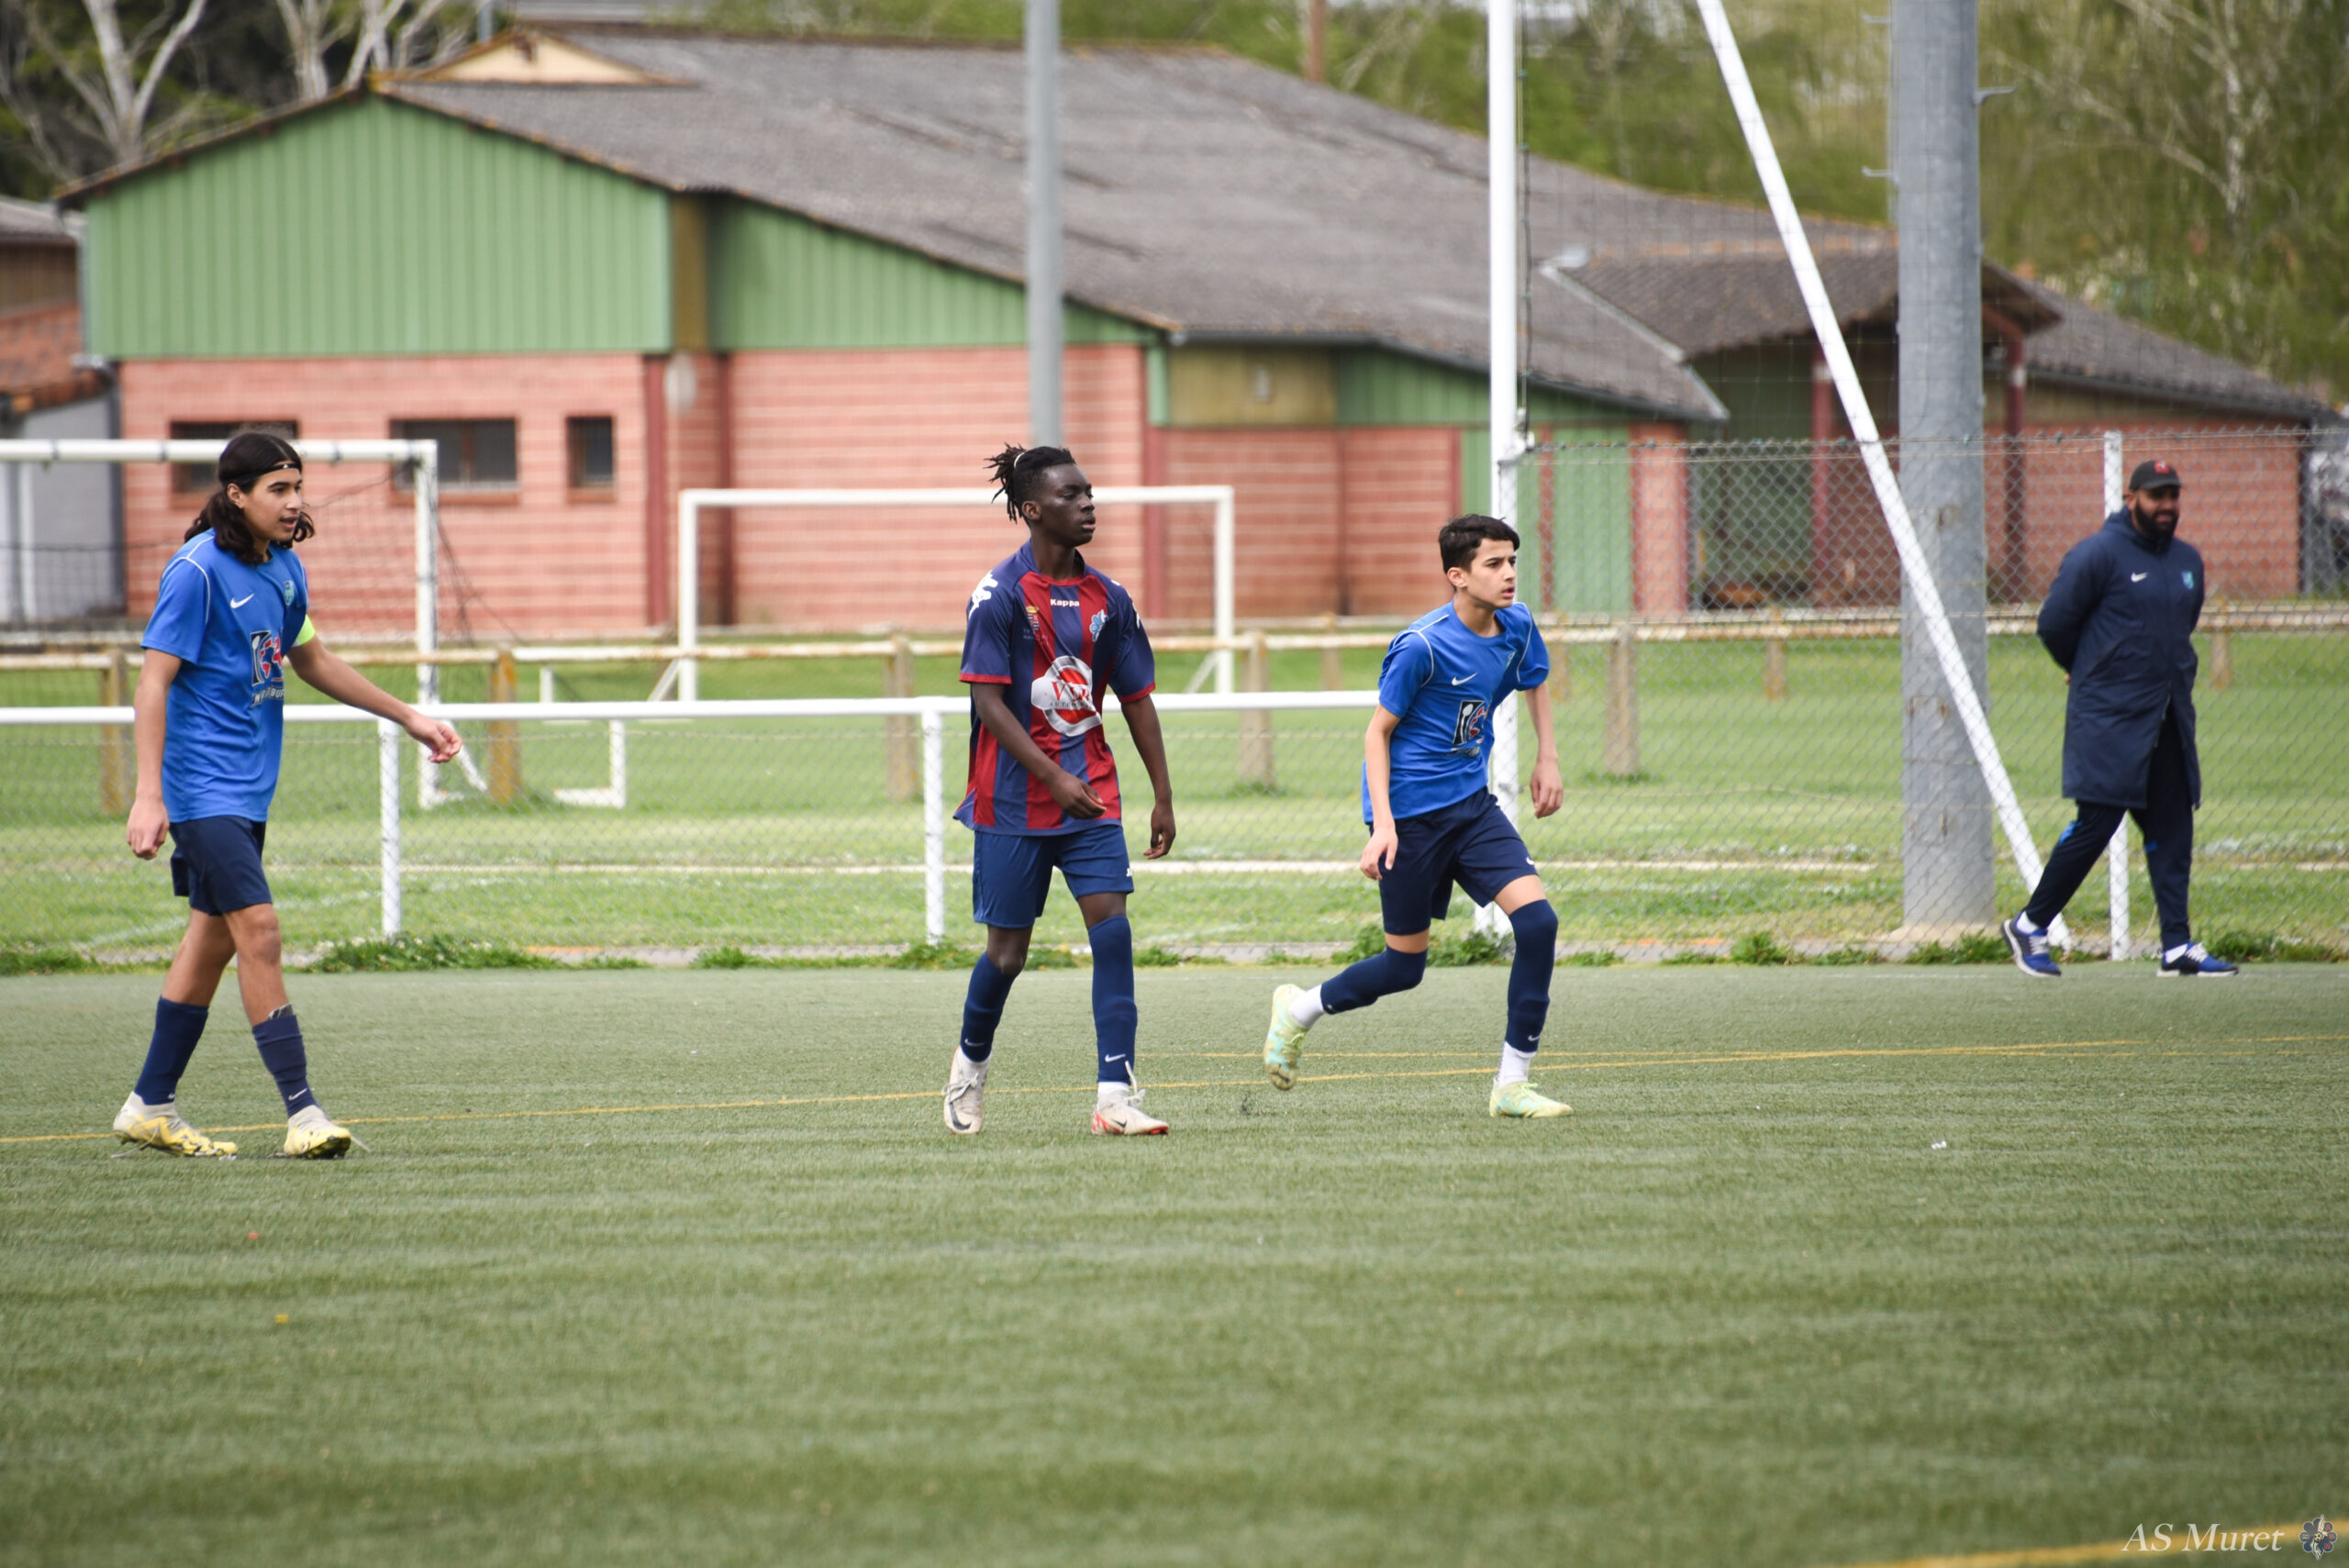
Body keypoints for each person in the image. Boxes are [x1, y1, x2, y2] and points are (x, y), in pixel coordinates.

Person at [115, 431, 463, 1160]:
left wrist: (410, 716)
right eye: (278, 488)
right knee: (261, 929)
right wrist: (149, 794)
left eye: (297, 486)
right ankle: (304, 1113)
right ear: (235, 494)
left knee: (210, 943)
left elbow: (314, 660)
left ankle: (150, 1104)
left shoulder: (284, 568)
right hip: (200, 789)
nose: (294, 501)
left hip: (248, 792)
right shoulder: (195, 571)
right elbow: (152, 682)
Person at [1262, 515, 1571, 1117]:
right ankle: (1298, 1009)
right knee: (1404, 968)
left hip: (1472, 809)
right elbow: (1376, 734)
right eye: (1493, 563)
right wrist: (1383, 825)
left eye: (1512, 561)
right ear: (1457, 575)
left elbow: (1534, 677)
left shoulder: (1517, 622)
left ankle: (1512, 1085)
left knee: (1538, 923)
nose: (1509, 574)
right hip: (1408, 820)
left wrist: (1548, 757)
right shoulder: (1421, 646)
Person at [942, 443, 1178, 1137]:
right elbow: (989, 704)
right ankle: (969, 1069)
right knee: (1006, 956)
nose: (1088, 505)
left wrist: (1163, 795)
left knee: (1113, 933)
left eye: (1090, 493)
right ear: (1033, 510)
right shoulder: (998, 596)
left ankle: (1115, 1097)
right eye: (1071, 495)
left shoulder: (1112, 599)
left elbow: (1137, 700)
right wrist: (1051, 777)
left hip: (1091, 797)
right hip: (1012, 802)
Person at [2001, 458, 2236, 978]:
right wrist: (2086, 667)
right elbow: (2054, 624)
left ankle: (2176, 945)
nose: (2166, 506)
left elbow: (2181, 625)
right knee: (2098, 823)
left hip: (2168, 717)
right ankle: (2030, 924)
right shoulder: (2097, 555)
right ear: (2132, 499)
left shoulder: (2187, 560)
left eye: (2173, 495)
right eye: (2156, 496)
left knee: (2173, 827)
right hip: (2108, 716)